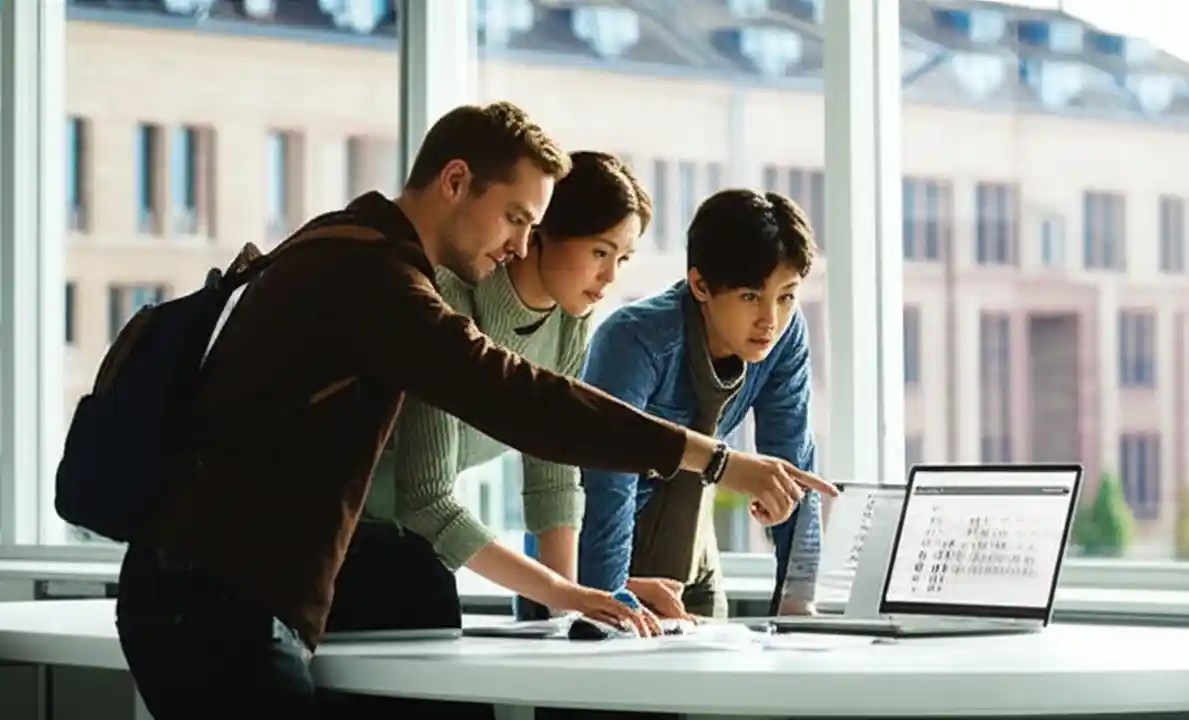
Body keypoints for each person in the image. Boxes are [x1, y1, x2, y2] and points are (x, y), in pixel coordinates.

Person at [111, 101, 836, 719]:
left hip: (238, 586)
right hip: (216, 596)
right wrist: (711, 458)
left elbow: (545, 450)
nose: (522, 243)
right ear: (456, 181)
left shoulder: (353, 249)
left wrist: (574, 598)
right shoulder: (383, 282)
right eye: (516, 217)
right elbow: (518, 398)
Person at [325, 151, 665, 647]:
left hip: (406, 547)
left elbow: (555, 474)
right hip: (342, 540)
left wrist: (570, 613)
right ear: (543, 232)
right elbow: (427, 501)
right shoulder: (448, 297)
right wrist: (562, 590)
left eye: (624, 258)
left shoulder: (571, 323)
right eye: (600, 251)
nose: (611, 277)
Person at [577, 189, 824, 621]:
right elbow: (608, 486)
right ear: (700, 285)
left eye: (786, 296)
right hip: (601, 558)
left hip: (695, 554)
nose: (770, 319)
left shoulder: (785, 337)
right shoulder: (635, 341)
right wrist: (610, 600)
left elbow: (793, 462)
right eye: (751, 296)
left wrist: (799, 603)